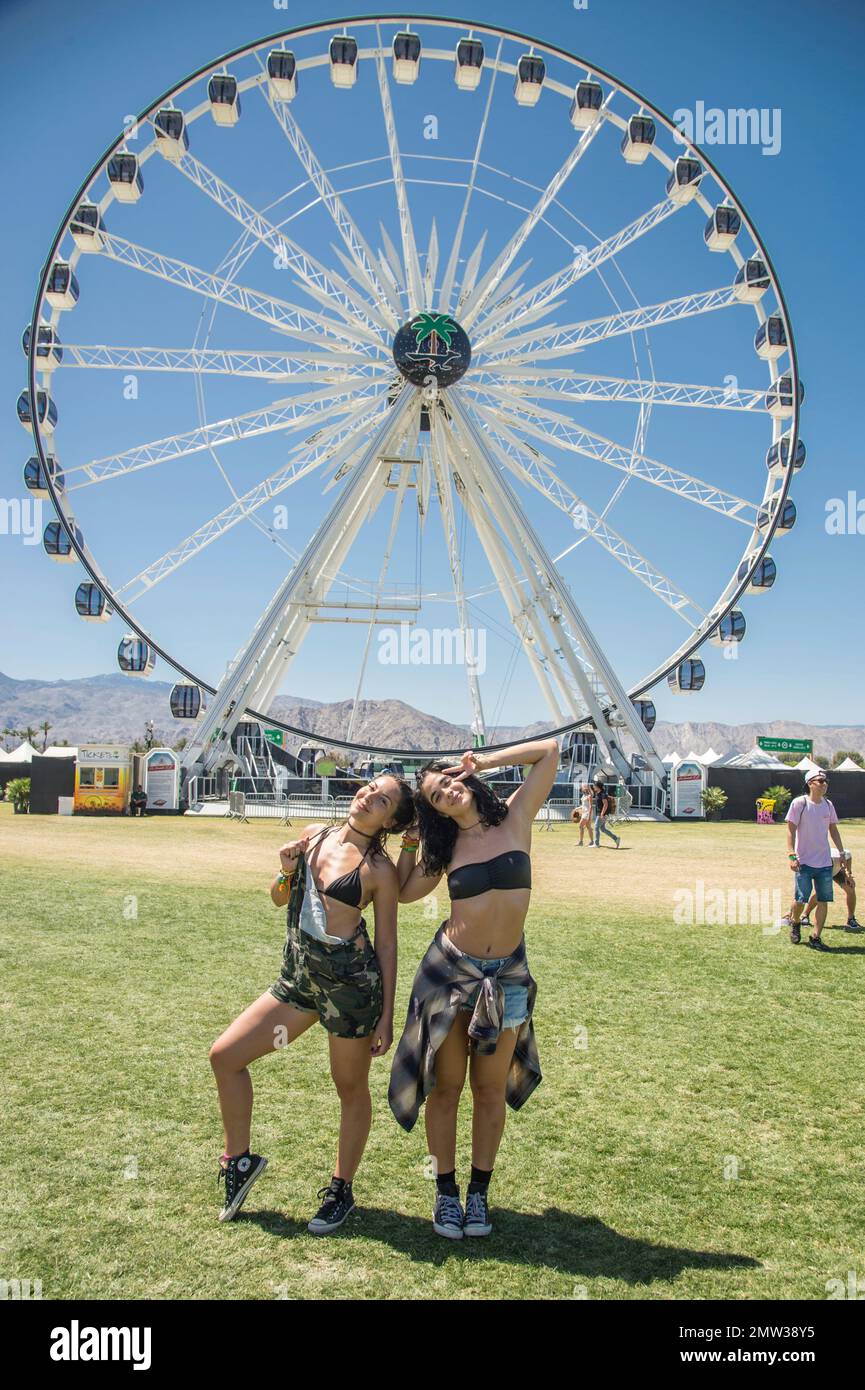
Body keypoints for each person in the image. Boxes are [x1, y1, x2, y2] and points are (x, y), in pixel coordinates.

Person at [209, 775, 414, 1231]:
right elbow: (278, 897)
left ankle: (341, 1189)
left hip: (350, 991)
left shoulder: (379, 870)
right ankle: (239, 1162)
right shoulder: (312, 834)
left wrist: (385, 1017)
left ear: (391, 820)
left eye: (382, 800)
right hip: (298, 983)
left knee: (349, 1090)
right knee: (225, 1056)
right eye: (368, 789)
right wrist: (284, 869)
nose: (367, 797)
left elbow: (387, 946)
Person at [390, 738, 556, 1240]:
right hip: (452, 973)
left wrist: (486, 760)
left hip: (506, 976)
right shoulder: (446, 849)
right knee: (447, 1087)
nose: (446, 794)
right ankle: (446, 1194)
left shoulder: (515, 817)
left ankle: (479, 1195)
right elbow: (402, 892)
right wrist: (413, 838)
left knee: (489, 1089)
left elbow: (549, 752)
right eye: (435, 796)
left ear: (465, 779)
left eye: (448, 783)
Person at [785, 769, 848, 950]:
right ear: (810, 784)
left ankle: (816, 937)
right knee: (800, 900)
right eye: (820, 781)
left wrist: (842, 853)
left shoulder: (828, 805)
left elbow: (833, 830)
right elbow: (790, 830)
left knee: (823, 900)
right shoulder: (800, 803)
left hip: (824, 863)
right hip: (803, 862)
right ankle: (795, 921)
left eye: (825, 781)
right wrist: (791, 855)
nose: (824, 783)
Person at [786, 849, 861, 934]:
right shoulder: (817, 861)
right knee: (819, 894)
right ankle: (805, 915)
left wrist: (848, 874)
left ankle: (851, 919)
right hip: (821, 870)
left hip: (836, 871)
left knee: (850, 889)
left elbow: (848, 856)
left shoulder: (838, 855)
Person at [592, 778, 621, 849]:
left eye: (594, 785)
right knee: (603, 829)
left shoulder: (603, 794)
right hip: (601, 814)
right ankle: (616, 838)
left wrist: (602, 814)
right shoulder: (598, 793)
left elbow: (605, 804)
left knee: (596, 827)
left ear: (598, 786)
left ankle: (596, 844)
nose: (593, 787)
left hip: (602, 814)